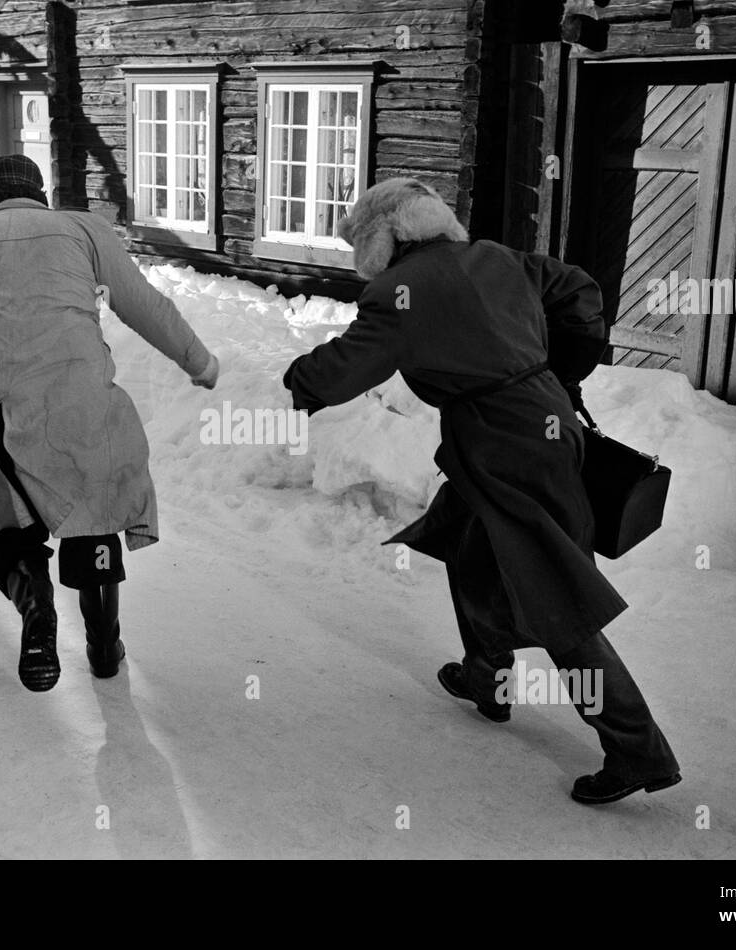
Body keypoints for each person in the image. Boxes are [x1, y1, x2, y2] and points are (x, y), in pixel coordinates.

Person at [283, 178, 680, 805]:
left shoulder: (398, 292)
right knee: (470, 548)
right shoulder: (497, 257)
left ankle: (637, 750)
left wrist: (300, 380)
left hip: (505, 447)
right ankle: (485, 676)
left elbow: (348, 367)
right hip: (533, 429)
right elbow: (579, 288)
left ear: (383, 238)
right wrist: (558, 365)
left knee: (555, 595)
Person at [0, 155, 219, 692]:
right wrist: (198, 361)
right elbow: (142, 304)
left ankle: (38, 613)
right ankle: (103, 647)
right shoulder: (83, 229)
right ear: (38, 194)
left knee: (13, 534)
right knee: (93, 517)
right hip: (83, 408)